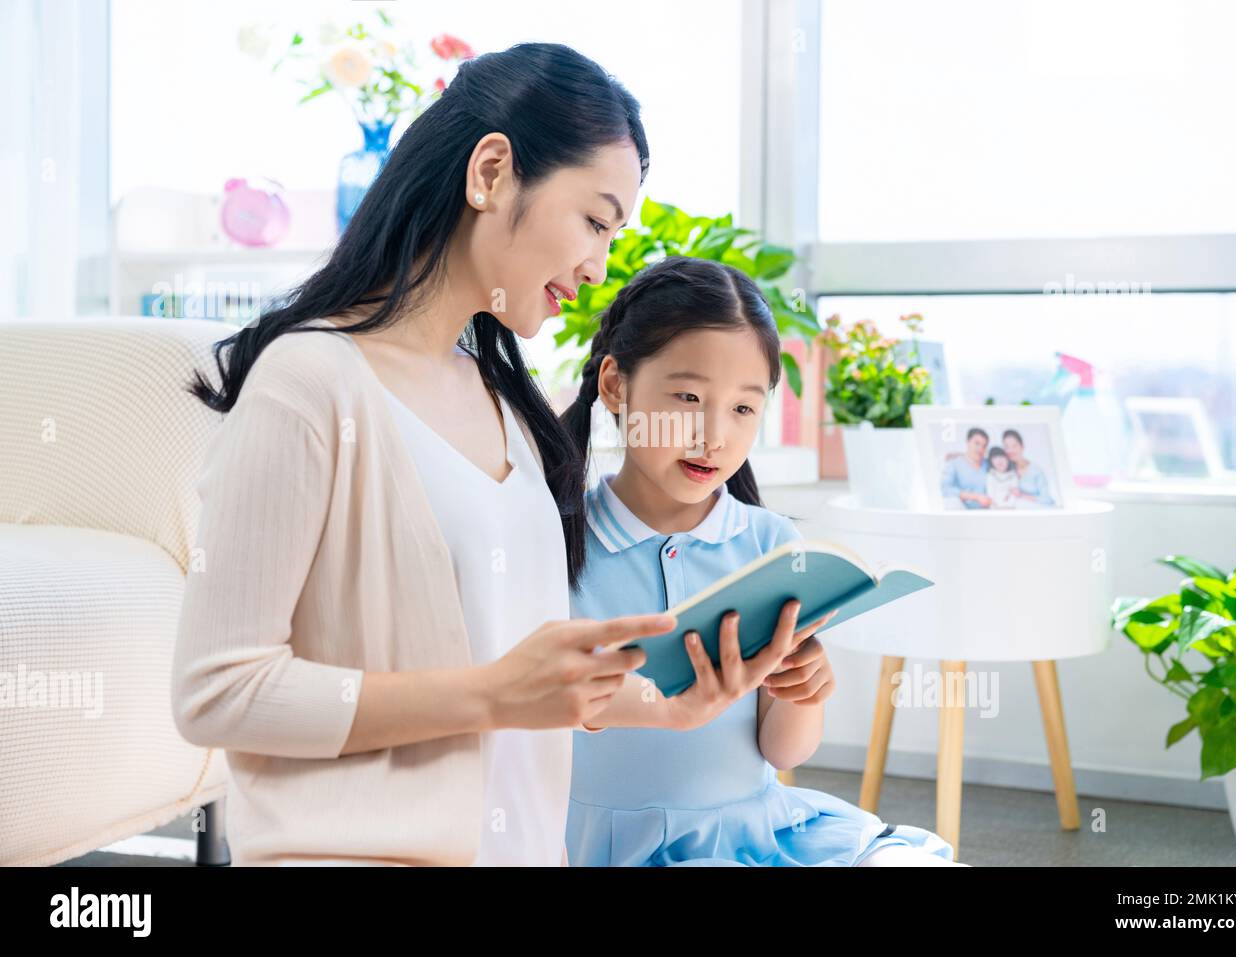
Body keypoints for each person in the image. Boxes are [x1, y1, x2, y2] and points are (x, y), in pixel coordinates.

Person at [173, 43, 692, 866]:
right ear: (490, 172)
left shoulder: (506, 406)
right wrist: (492, 695)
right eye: (594, 220)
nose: (597, 266)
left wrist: (684, 696)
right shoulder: (309, 382)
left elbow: (510, 671)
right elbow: (218, 691)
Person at [557, 257, 965, 867]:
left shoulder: (772, 544)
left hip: (759, 834)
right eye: (689, 397)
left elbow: (782, 752)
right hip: (614, 847)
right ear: (616, 386)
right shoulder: (561, 541)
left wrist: (804, 693)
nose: (713, 435)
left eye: (744, 409)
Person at [939, 427, 992, 509]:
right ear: (967, 442)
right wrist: (975, 497)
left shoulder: (988, 464)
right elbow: (945, 489)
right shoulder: (954, 464)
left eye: (984, 446)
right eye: (977, 443)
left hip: (988, 512)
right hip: (963, 511)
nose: (980, 449)